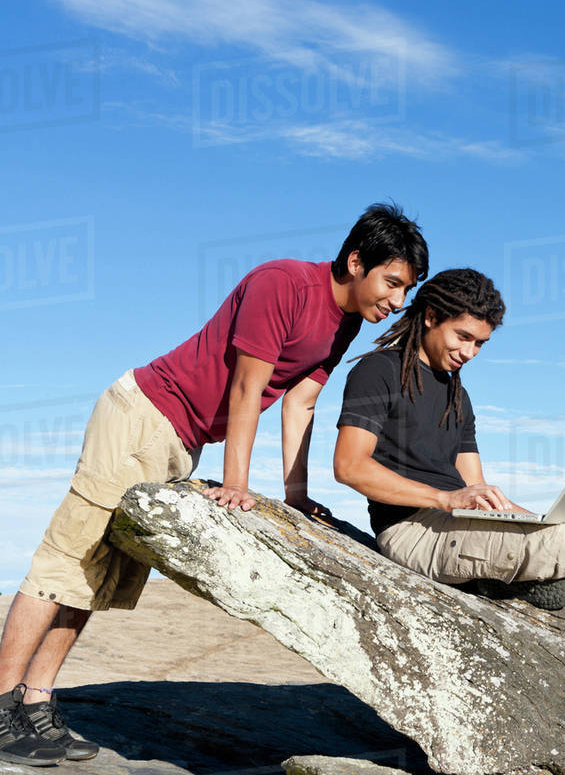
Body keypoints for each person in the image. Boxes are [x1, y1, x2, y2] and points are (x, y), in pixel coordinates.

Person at [0, 203, 428, 767]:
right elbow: (248, 387)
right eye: (393, 283)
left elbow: (300, 400)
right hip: (143, 414)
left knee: (98, 578)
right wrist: (237, 484)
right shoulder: (283, 283)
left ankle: (35, 704)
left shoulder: (344, 322)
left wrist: (296, 495)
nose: (397, 301)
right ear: (355, 261)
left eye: (407, 289)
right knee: (67, 563)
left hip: (180, 440)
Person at [333, 268, 565, 611]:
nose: (469, 352)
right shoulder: (378, 371)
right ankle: (539, 574)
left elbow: (478, 491)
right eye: (463, 336)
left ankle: (509, 578)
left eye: (479, 343)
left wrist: (549, 522)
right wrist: (444, 498)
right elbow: (349, 467)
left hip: (460, 522)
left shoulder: (458, 396)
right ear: (431, 317)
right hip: (411, 530)